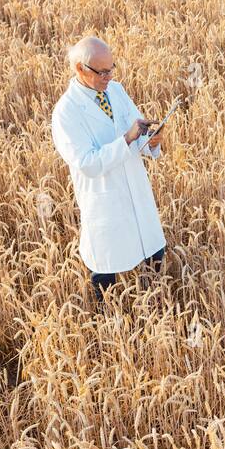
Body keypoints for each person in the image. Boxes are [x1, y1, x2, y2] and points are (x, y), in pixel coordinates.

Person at [50, 36, 166, 306]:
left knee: (153, 252)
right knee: (106, 270)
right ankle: (109, 326)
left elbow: (137, 132)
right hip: (104, 201)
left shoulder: (116, 91)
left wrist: (151, 142)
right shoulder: (66, 113)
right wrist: (126, 139)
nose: (108, 76)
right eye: (102, 71)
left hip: (136, 191)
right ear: (80, 69)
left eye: (111, 68)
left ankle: (156, 313)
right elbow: (88, 163)